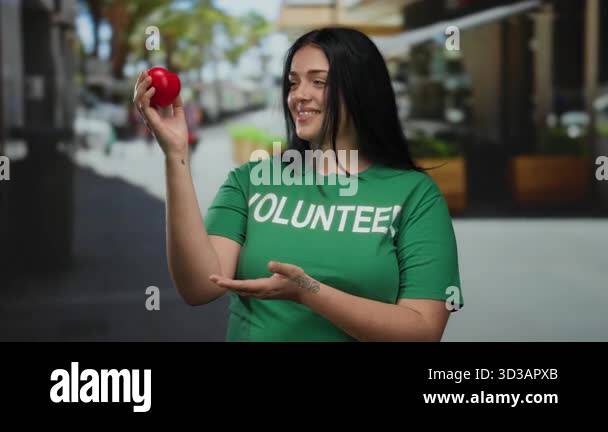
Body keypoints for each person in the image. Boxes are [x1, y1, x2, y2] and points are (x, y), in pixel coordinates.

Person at [132, 27, 463, 342]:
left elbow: (423, 330)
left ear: (362, 92)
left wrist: (309, 292)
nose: (299, 96)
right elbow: (199, 287)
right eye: (292, 83)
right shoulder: (252, 180)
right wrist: (175, 156)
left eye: (318, 82)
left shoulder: (415, 195)